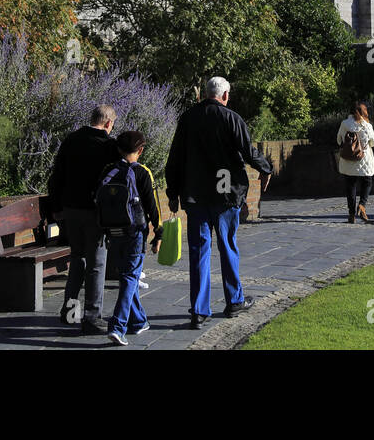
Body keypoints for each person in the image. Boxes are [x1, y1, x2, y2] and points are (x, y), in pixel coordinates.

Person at [164, 75, 273, 329]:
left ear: (205, 93)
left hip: (196, 195)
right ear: (224, 95)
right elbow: (248, 151)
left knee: (199, 251)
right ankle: (234, 300)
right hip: (225, 194)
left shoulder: (188, 118)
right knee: (228, 246)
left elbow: (175, 158)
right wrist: (265, 169)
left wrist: (172, 192)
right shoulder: (231, 118)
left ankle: (200, 310)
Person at [46, 104, 120, 334]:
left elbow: (56, 175)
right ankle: (91, 317)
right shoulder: (109, 145)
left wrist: (56, 208)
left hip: (70, 210)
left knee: (77, 259)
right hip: (95, 213)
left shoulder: (71, 140)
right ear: (108, 123)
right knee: (97, 264)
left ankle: (69, 312)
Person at [100, 130, 162, 346]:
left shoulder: (108, 170)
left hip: (112, 231)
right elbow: (153, 206)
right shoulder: (142, 172)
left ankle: (139, 321)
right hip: (135, 231)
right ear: (141, 150)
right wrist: (158, 233)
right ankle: (118, 326)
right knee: (129, 277)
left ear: (119, 149)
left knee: (128, 276)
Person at [336, 102, 374, 224]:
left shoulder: (344, 124)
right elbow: (373, 142)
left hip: (348, 160)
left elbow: (339, 140)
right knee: (367, 182)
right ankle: (362, 205)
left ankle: (351, 215)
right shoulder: (367, 126)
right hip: (364, 159)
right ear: (364, 112)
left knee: (350, 186)